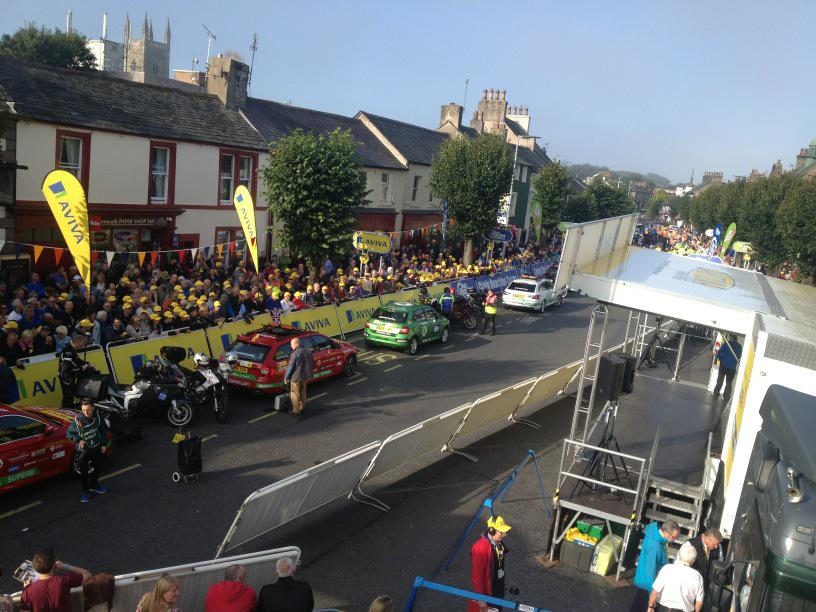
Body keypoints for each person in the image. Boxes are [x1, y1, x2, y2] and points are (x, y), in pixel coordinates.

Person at [66, 398, 111, 503]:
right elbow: (69, 433)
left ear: (93, 408)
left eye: (88, 410)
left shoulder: (98, 415)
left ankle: (94, 486)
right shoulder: (78, 420)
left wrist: (104, 444)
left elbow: (103, 429)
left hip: (98, 447)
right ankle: (85, 492)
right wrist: (79, 440)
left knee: (98, 468)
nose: (86, 412)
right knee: (84, 473)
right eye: (84, 410)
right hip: (85, 451)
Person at [20, 547, 91, 612]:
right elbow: (87, 574)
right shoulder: (64, 580)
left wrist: (27, 588)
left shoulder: (27, 592)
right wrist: (64, 566)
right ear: (54, 566)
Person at [631, 520, 680, 611]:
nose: (675, 540)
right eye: (674, 537)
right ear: (666, 533)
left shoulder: (655, 534)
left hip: (644, 581)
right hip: (648, 585)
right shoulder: (655, 547)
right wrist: (652, 599)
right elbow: (650, 572)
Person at [469, 515, 511, 612]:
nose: (504, 534)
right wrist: (481, 599)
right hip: (489, 594)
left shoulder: (498, 543)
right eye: (501, 532)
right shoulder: (480, 548)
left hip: (498, 588)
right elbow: (477, 576)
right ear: (492, 531)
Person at [648, 541, 704, 612]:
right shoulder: (698, 576)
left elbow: (655, 591)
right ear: (693, 561)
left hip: (663, 609)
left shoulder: (667, 568)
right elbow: (699, 602)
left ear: (679, 556)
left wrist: (650, 606)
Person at [57, 333, 92, 408]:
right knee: (68, 396)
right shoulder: (68, 350)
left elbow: (77, 361)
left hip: (70, 375)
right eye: (82, 344)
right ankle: (66, 410)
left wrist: (87, 363)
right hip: (66, 377)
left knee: (70, 395)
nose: (82, 346)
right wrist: (81, 368)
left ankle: (69, 408)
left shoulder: (73, 349)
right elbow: (67, 365)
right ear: (77, 342)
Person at [283, 337, 313, 417]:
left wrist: (286, 377)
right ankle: (302, 407)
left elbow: (290, 367)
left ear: (296, 344)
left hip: (296, 377)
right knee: (303, 392)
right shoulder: (307, 351)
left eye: (291, 344)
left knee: (295, 394)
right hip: (305, 376)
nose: (291, 346)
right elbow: (312, 362)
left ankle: (296, 411)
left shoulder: (295, 353)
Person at [687, 527, 722, 593]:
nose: (716, 547)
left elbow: (719, 564)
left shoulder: (718, 548)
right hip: (689, 587)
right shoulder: (690, 544)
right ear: (708, 539)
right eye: (715, 544)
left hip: (704, 588)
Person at [713, 335, 742, 400]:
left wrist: (718, 357)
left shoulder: (727, 344)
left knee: (720, 380)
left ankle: (716, 393)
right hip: (732, 368)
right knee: (728, 383)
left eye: (729, 338)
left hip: (723, 365)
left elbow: (721, 353)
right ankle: (725, 396)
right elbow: (739, 356)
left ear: (731, 338)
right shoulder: (739, 347)